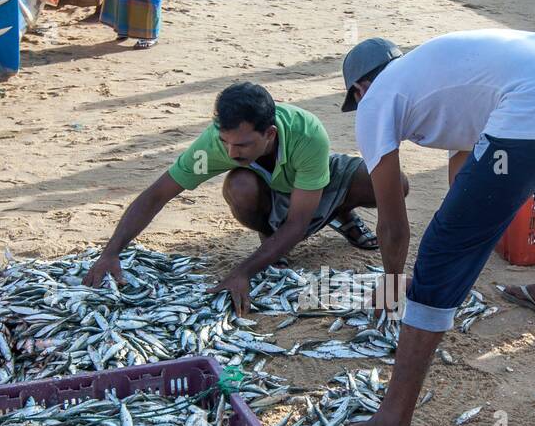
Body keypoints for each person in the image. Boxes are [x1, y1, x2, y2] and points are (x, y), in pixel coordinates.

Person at [307, 30, 535, 426]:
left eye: (357, 98)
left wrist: (396, 284)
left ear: (360, 88)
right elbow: (465, 177)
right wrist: (466, 218)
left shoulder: (378, 99)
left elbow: (392, 219)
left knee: (442, 249)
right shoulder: (441, 74)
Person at [83, 82, 386, 312]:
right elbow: (156, 195)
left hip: (311, 181)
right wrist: (111, 252)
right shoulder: (214, 145)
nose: (230, 152)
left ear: (269, 134)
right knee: (239, 186)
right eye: (224, 141)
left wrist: (242, 272)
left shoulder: (307, 134)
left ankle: (342, 215)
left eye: (241, 145)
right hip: (270, 191)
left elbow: (297, 224)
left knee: (390, 185)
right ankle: (269, 238)